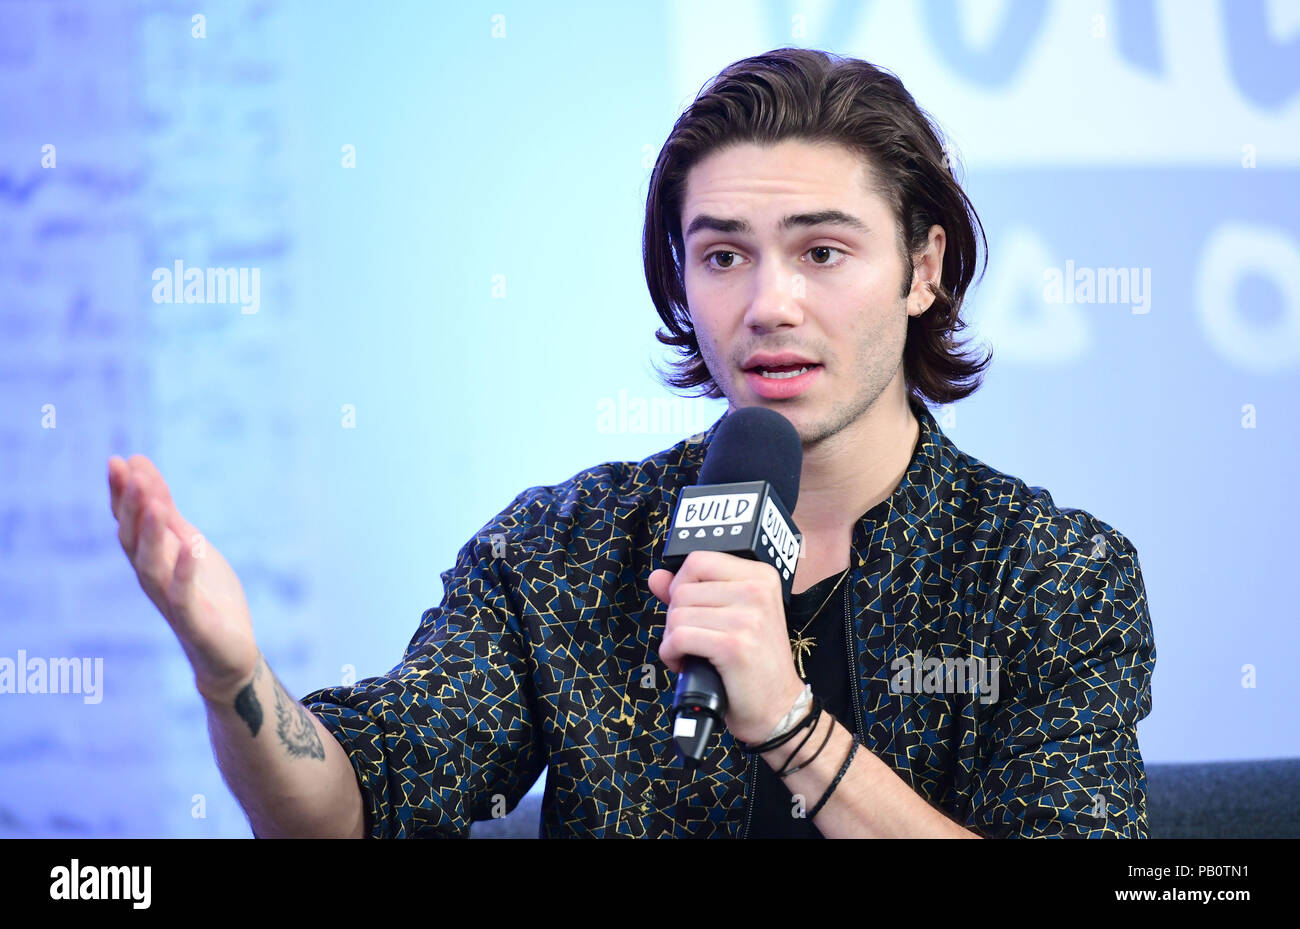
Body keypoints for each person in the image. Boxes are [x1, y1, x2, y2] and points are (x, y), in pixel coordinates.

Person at [107, 47, 1155, 839]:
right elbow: (349, 806)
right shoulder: (566, 549)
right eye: (724, 256)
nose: (769, 304)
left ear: (922, 268)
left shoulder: (1050, 572)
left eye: (822, 252)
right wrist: (233, 677)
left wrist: (791, 724)